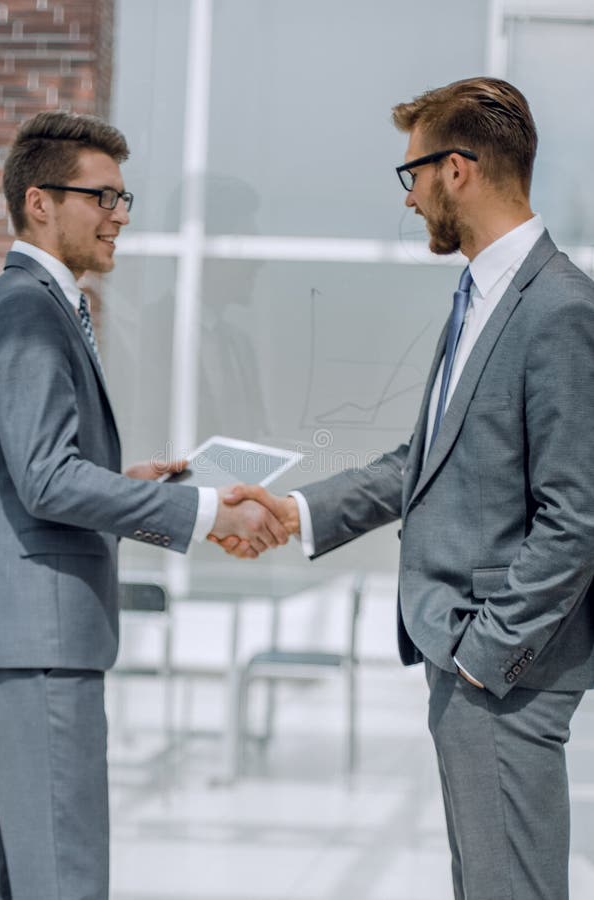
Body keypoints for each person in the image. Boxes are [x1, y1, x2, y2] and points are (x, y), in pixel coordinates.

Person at [217, 77, 594, 900]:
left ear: (456, 169)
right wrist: (298, 511)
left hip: (502, 675)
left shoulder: (559, 309)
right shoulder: (479, 300)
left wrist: (487, 655)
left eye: (412, 174)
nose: (411, 197)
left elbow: (577, 520)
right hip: (468, 664)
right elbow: (421, 461)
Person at [0, 110, 286, 900]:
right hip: (40, 636)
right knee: (63, 875)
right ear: (40, 202)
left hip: (21, 632)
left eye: (123, 199)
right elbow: (46, 479)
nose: (119, 217)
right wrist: (204, 512)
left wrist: (132, 483)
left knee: (1, 870)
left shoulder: (26, 303)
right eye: (102, 198)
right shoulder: (30, 308)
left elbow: (30, 471)